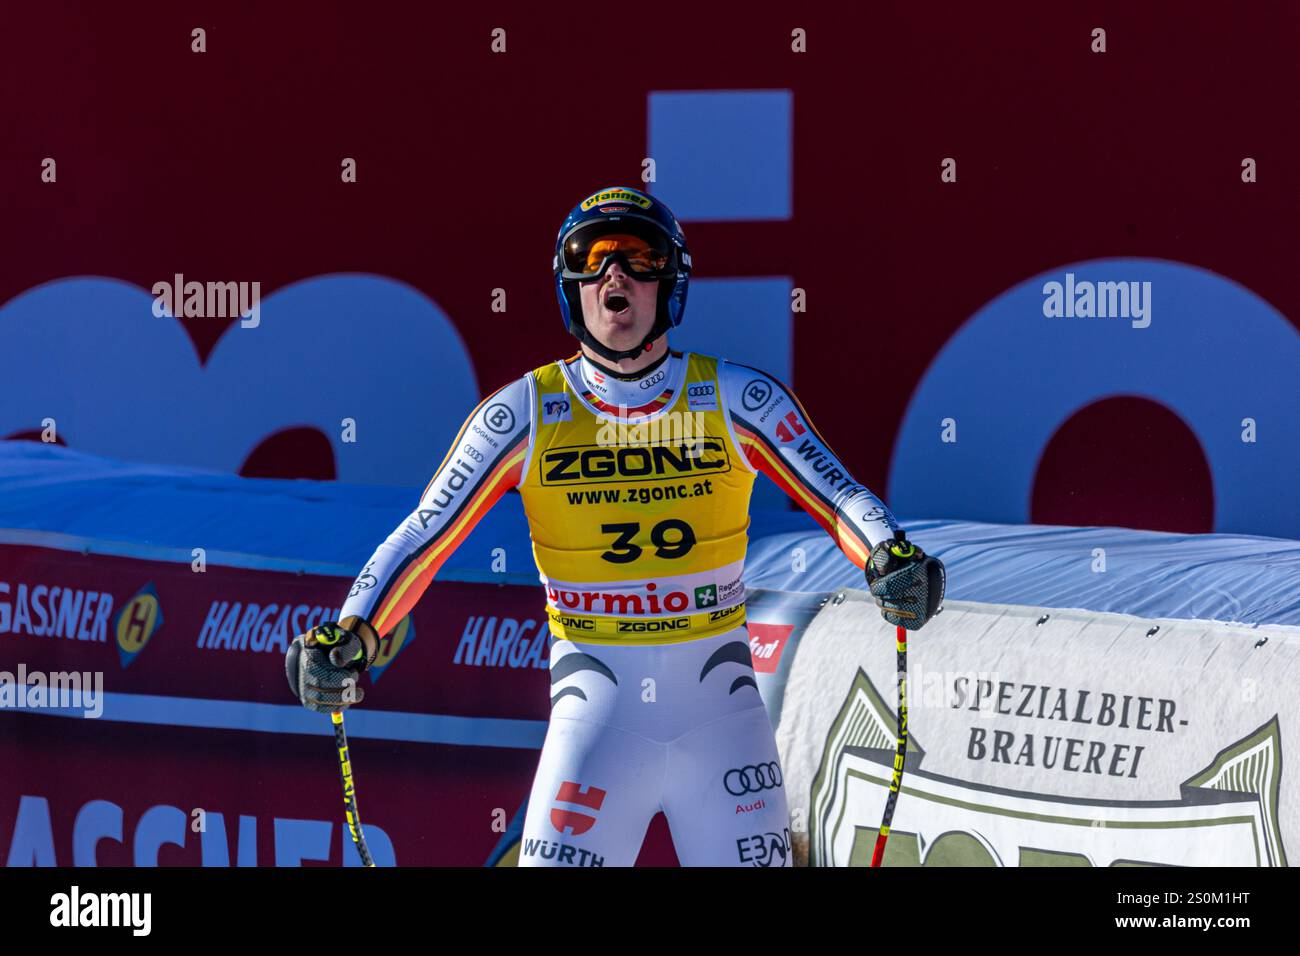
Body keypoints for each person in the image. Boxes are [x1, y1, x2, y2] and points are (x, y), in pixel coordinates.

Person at [285, 185, 945, 867]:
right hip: (595, 719)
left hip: (721, 721)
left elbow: (838, 493)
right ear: (569, 286)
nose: (615, 276)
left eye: (638, 256)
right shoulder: (524, 413)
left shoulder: (735, 397)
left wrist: (891, 556)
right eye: (592, 258)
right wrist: (353, 629)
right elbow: (424, 534)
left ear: (672, 281)